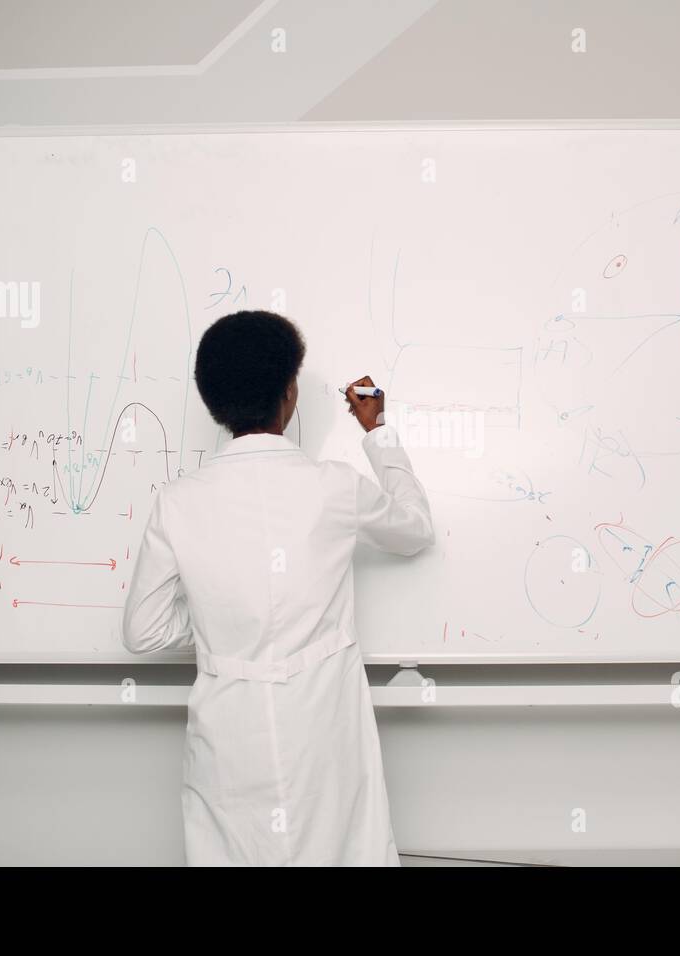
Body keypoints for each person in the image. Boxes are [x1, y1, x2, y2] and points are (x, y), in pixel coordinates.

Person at [121, 309, 434, 866]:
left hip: (228, 737)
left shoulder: (178, 502)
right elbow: (414, 530)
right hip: (324, 733)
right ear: (289, 393)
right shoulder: (333, 488)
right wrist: (378, 431)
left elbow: (142, 631)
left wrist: (222, 625)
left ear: (213, 402)